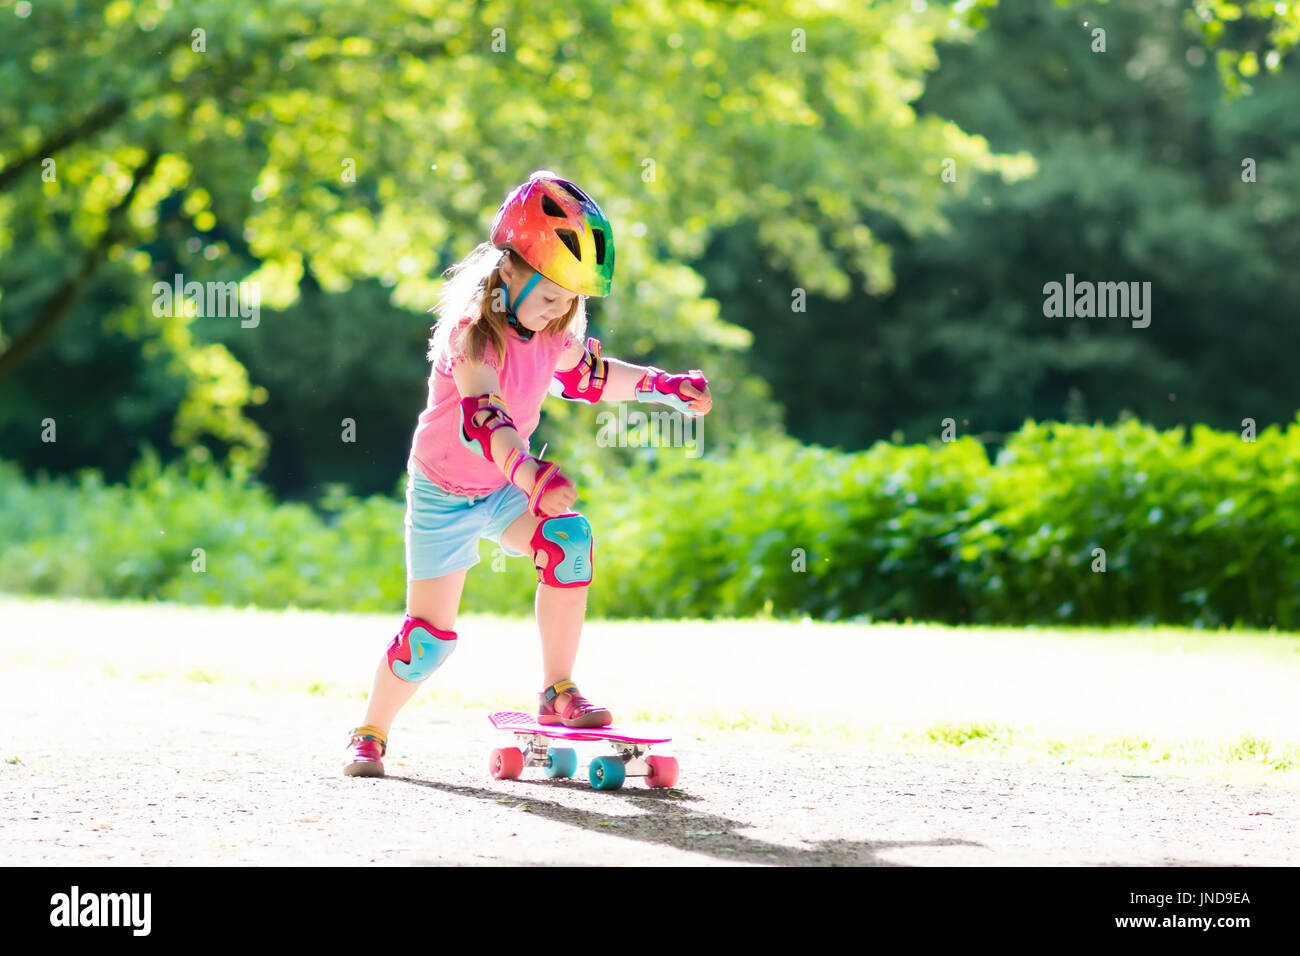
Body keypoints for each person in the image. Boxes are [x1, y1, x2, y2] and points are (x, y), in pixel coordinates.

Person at [343, 170, 712, 776]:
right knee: (426, 642)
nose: (558, 313)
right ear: (507, 270)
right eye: (549, 296)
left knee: (568, 541)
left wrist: (661, 385)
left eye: (571, 301)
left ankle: (558, 690)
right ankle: (370, 731)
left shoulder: (551, 330)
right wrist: (533, 474)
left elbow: (592, 376)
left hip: (503, 491)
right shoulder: (472, 336)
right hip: (444, 494)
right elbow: (487, 421)